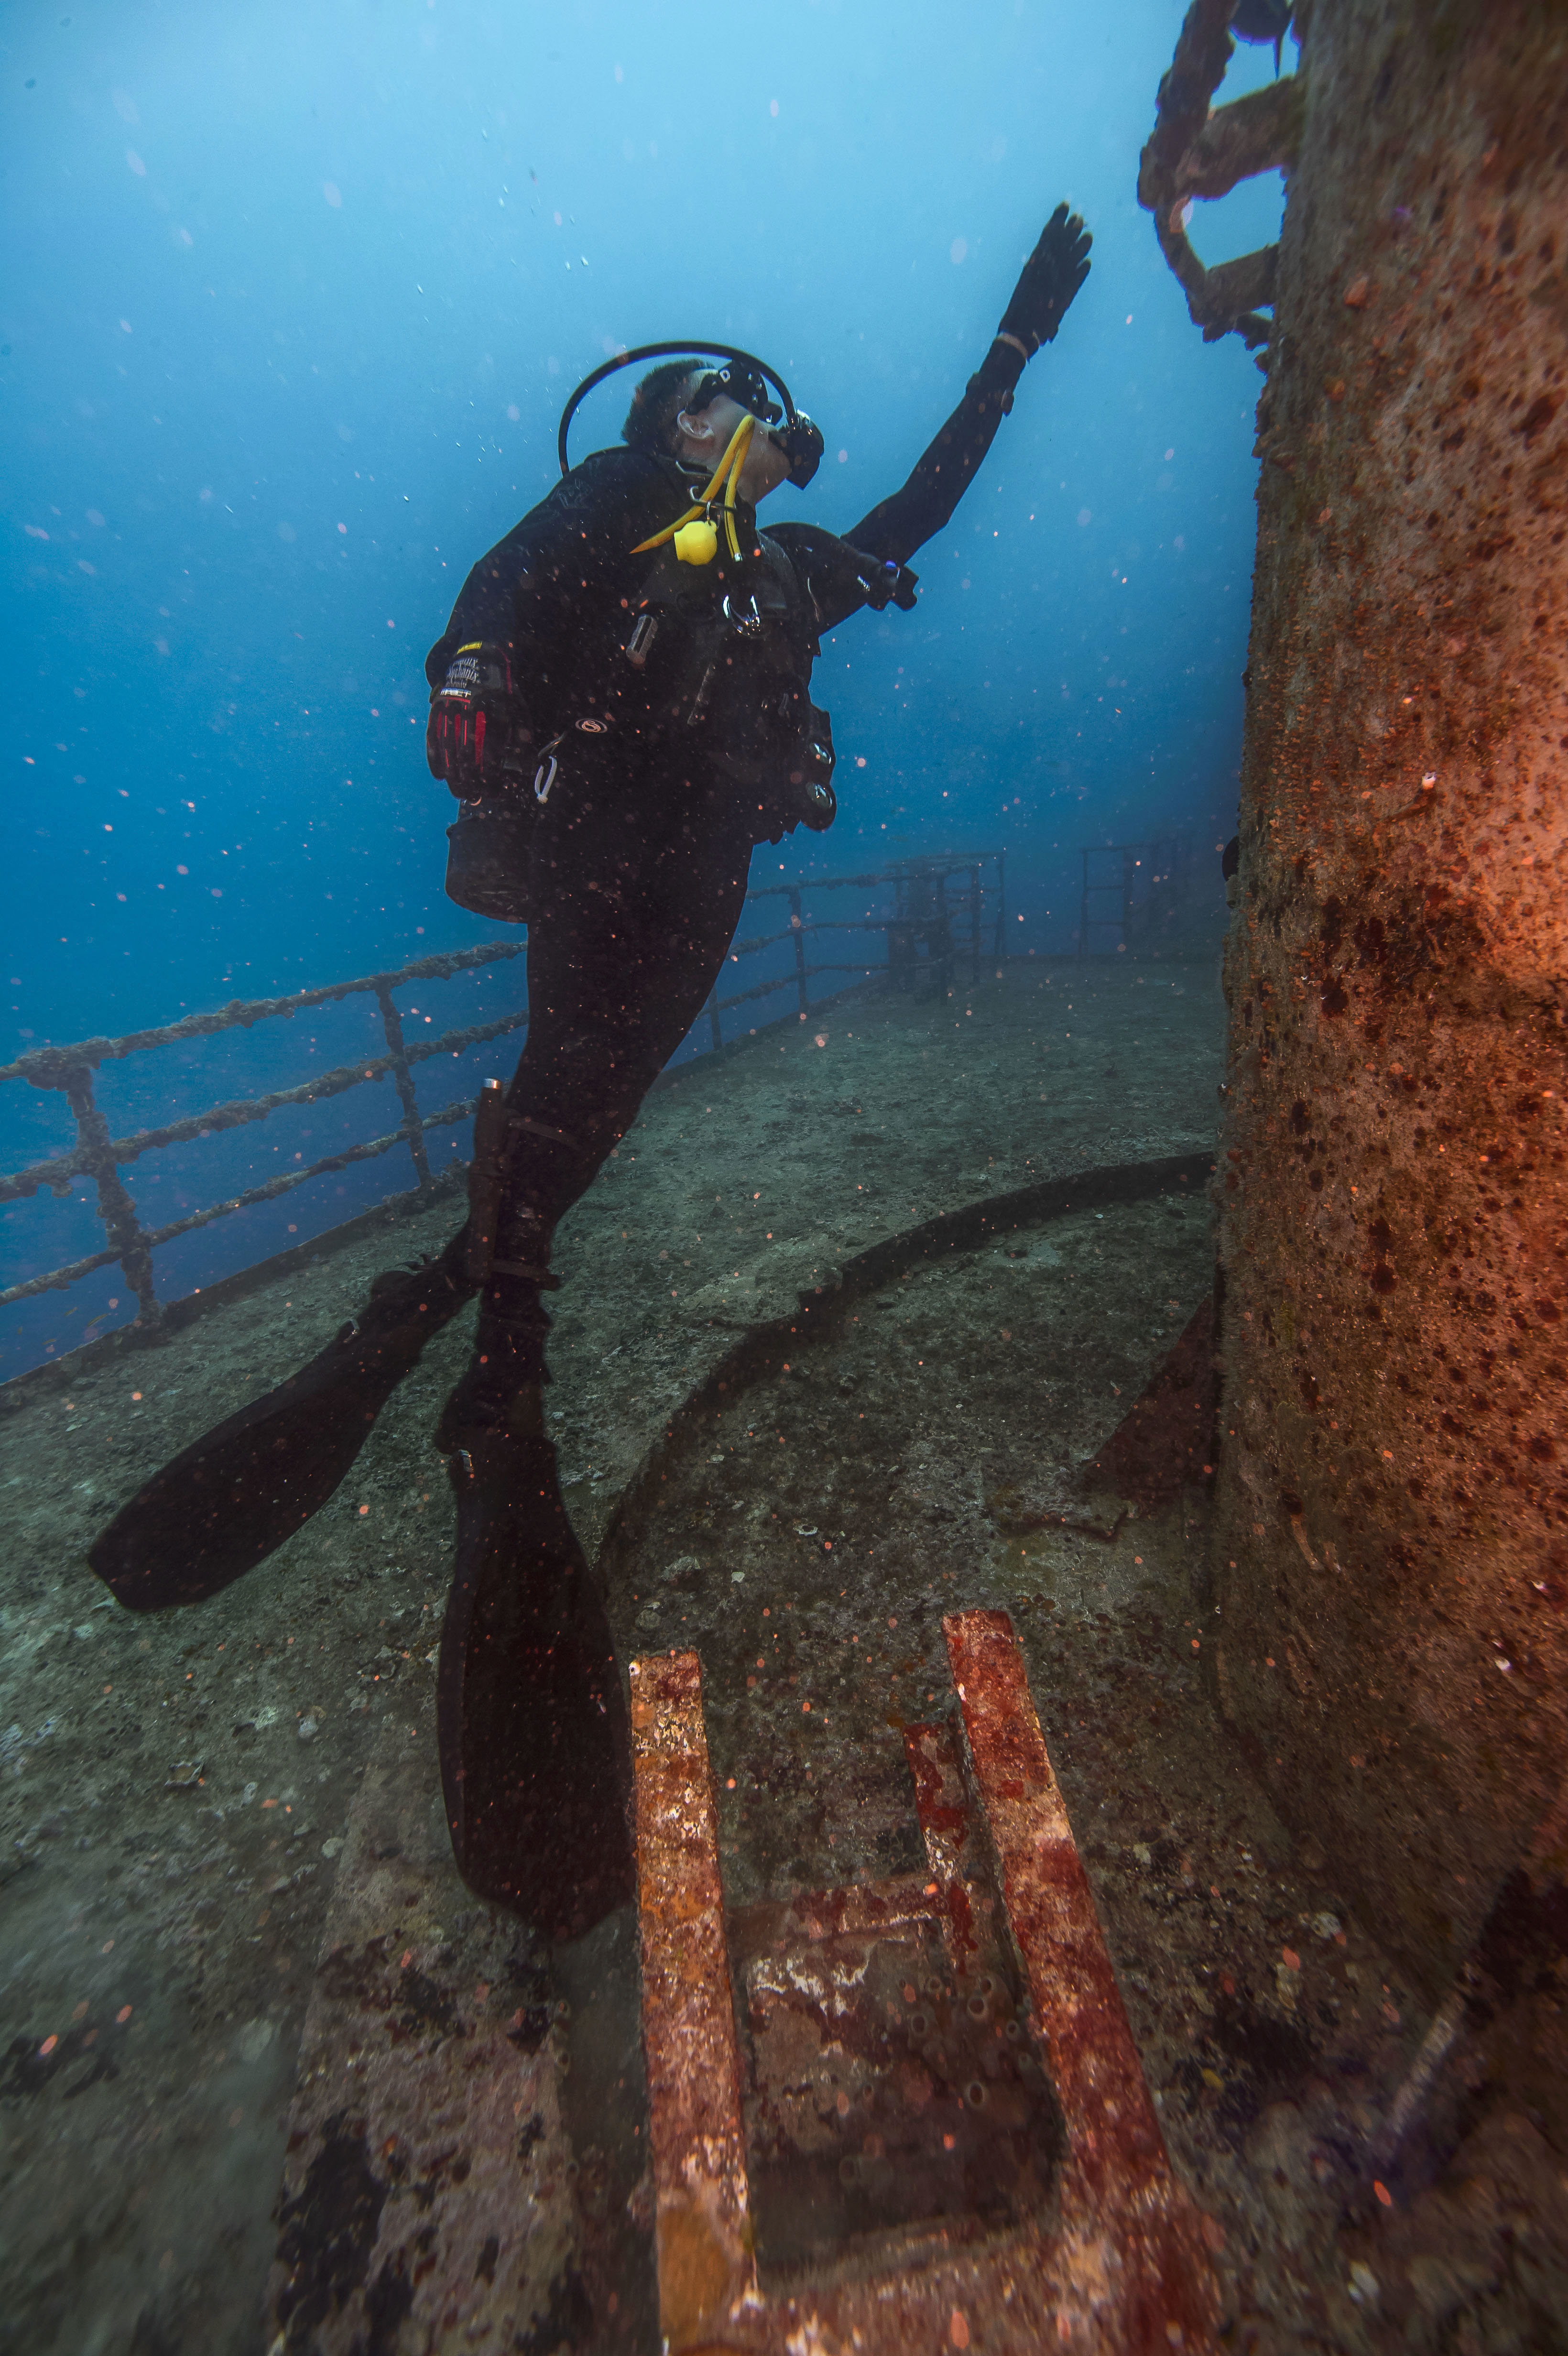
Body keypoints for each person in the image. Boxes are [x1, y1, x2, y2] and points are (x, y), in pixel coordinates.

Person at [89, 206, 1092, 1944]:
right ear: (676, 427)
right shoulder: (620, 504)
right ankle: (497, 1375)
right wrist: (467, 676)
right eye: (724, 407)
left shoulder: (789, 574)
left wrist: (1016, 343)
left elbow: (922, 504)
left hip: (694, 893)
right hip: (601, 866)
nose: (749, 429)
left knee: (587, 1120)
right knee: (563, 1092)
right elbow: (498, 592)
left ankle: (453, 1297)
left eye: (752, 417)